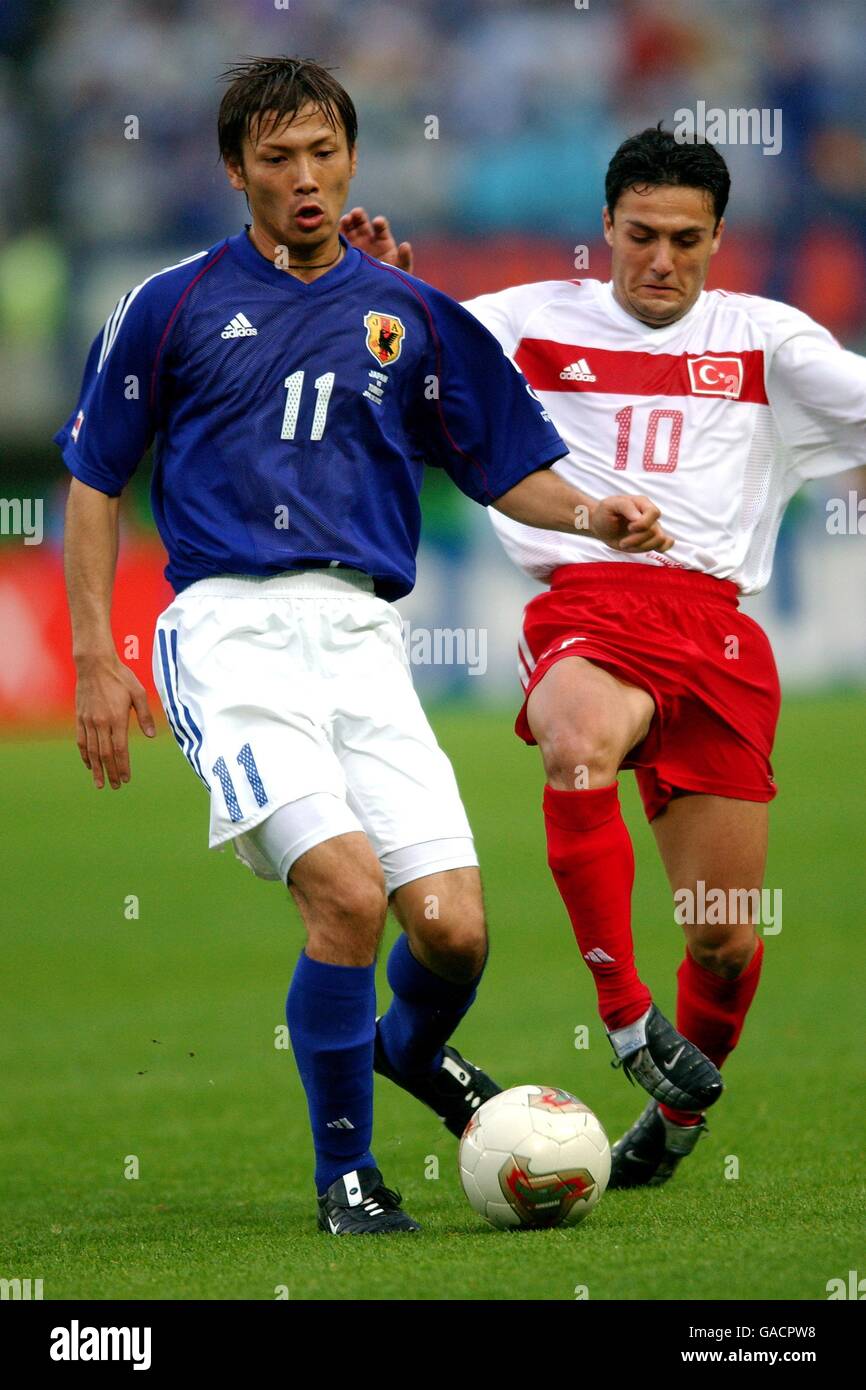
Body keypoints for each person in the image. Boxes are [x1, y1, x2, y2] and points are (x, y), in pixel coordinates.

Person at [56, 57, 672, 1235]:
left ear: (352, 157)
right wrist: (96, 654)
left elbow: (505, 464)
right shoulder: (168, 301)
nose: (305, 178)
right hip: (228, 633)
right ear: (233, 168)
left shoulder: (410, 314)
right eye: (277, 157)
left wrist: (595, 512)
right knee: (346, 897)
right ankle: (348, 1174)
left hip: (362, 637)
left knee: (452, 929)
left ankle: (412, 1055)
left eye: (324, 153)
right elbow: (92, 477)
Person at [343, 124, 866, 1188]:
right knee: (573, 733)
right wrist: (388, 298)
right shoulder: (525, 320)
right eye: (639, 236)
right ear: (605, 229)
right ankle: (625, 1018)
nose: (660, 260)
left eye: (684, 239)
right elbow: (402, 347)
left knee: (720, 937)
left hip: (717, 634)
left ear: (717, 237)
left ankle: (672, 1121)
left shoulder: (768, 339)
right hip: (589, 598)